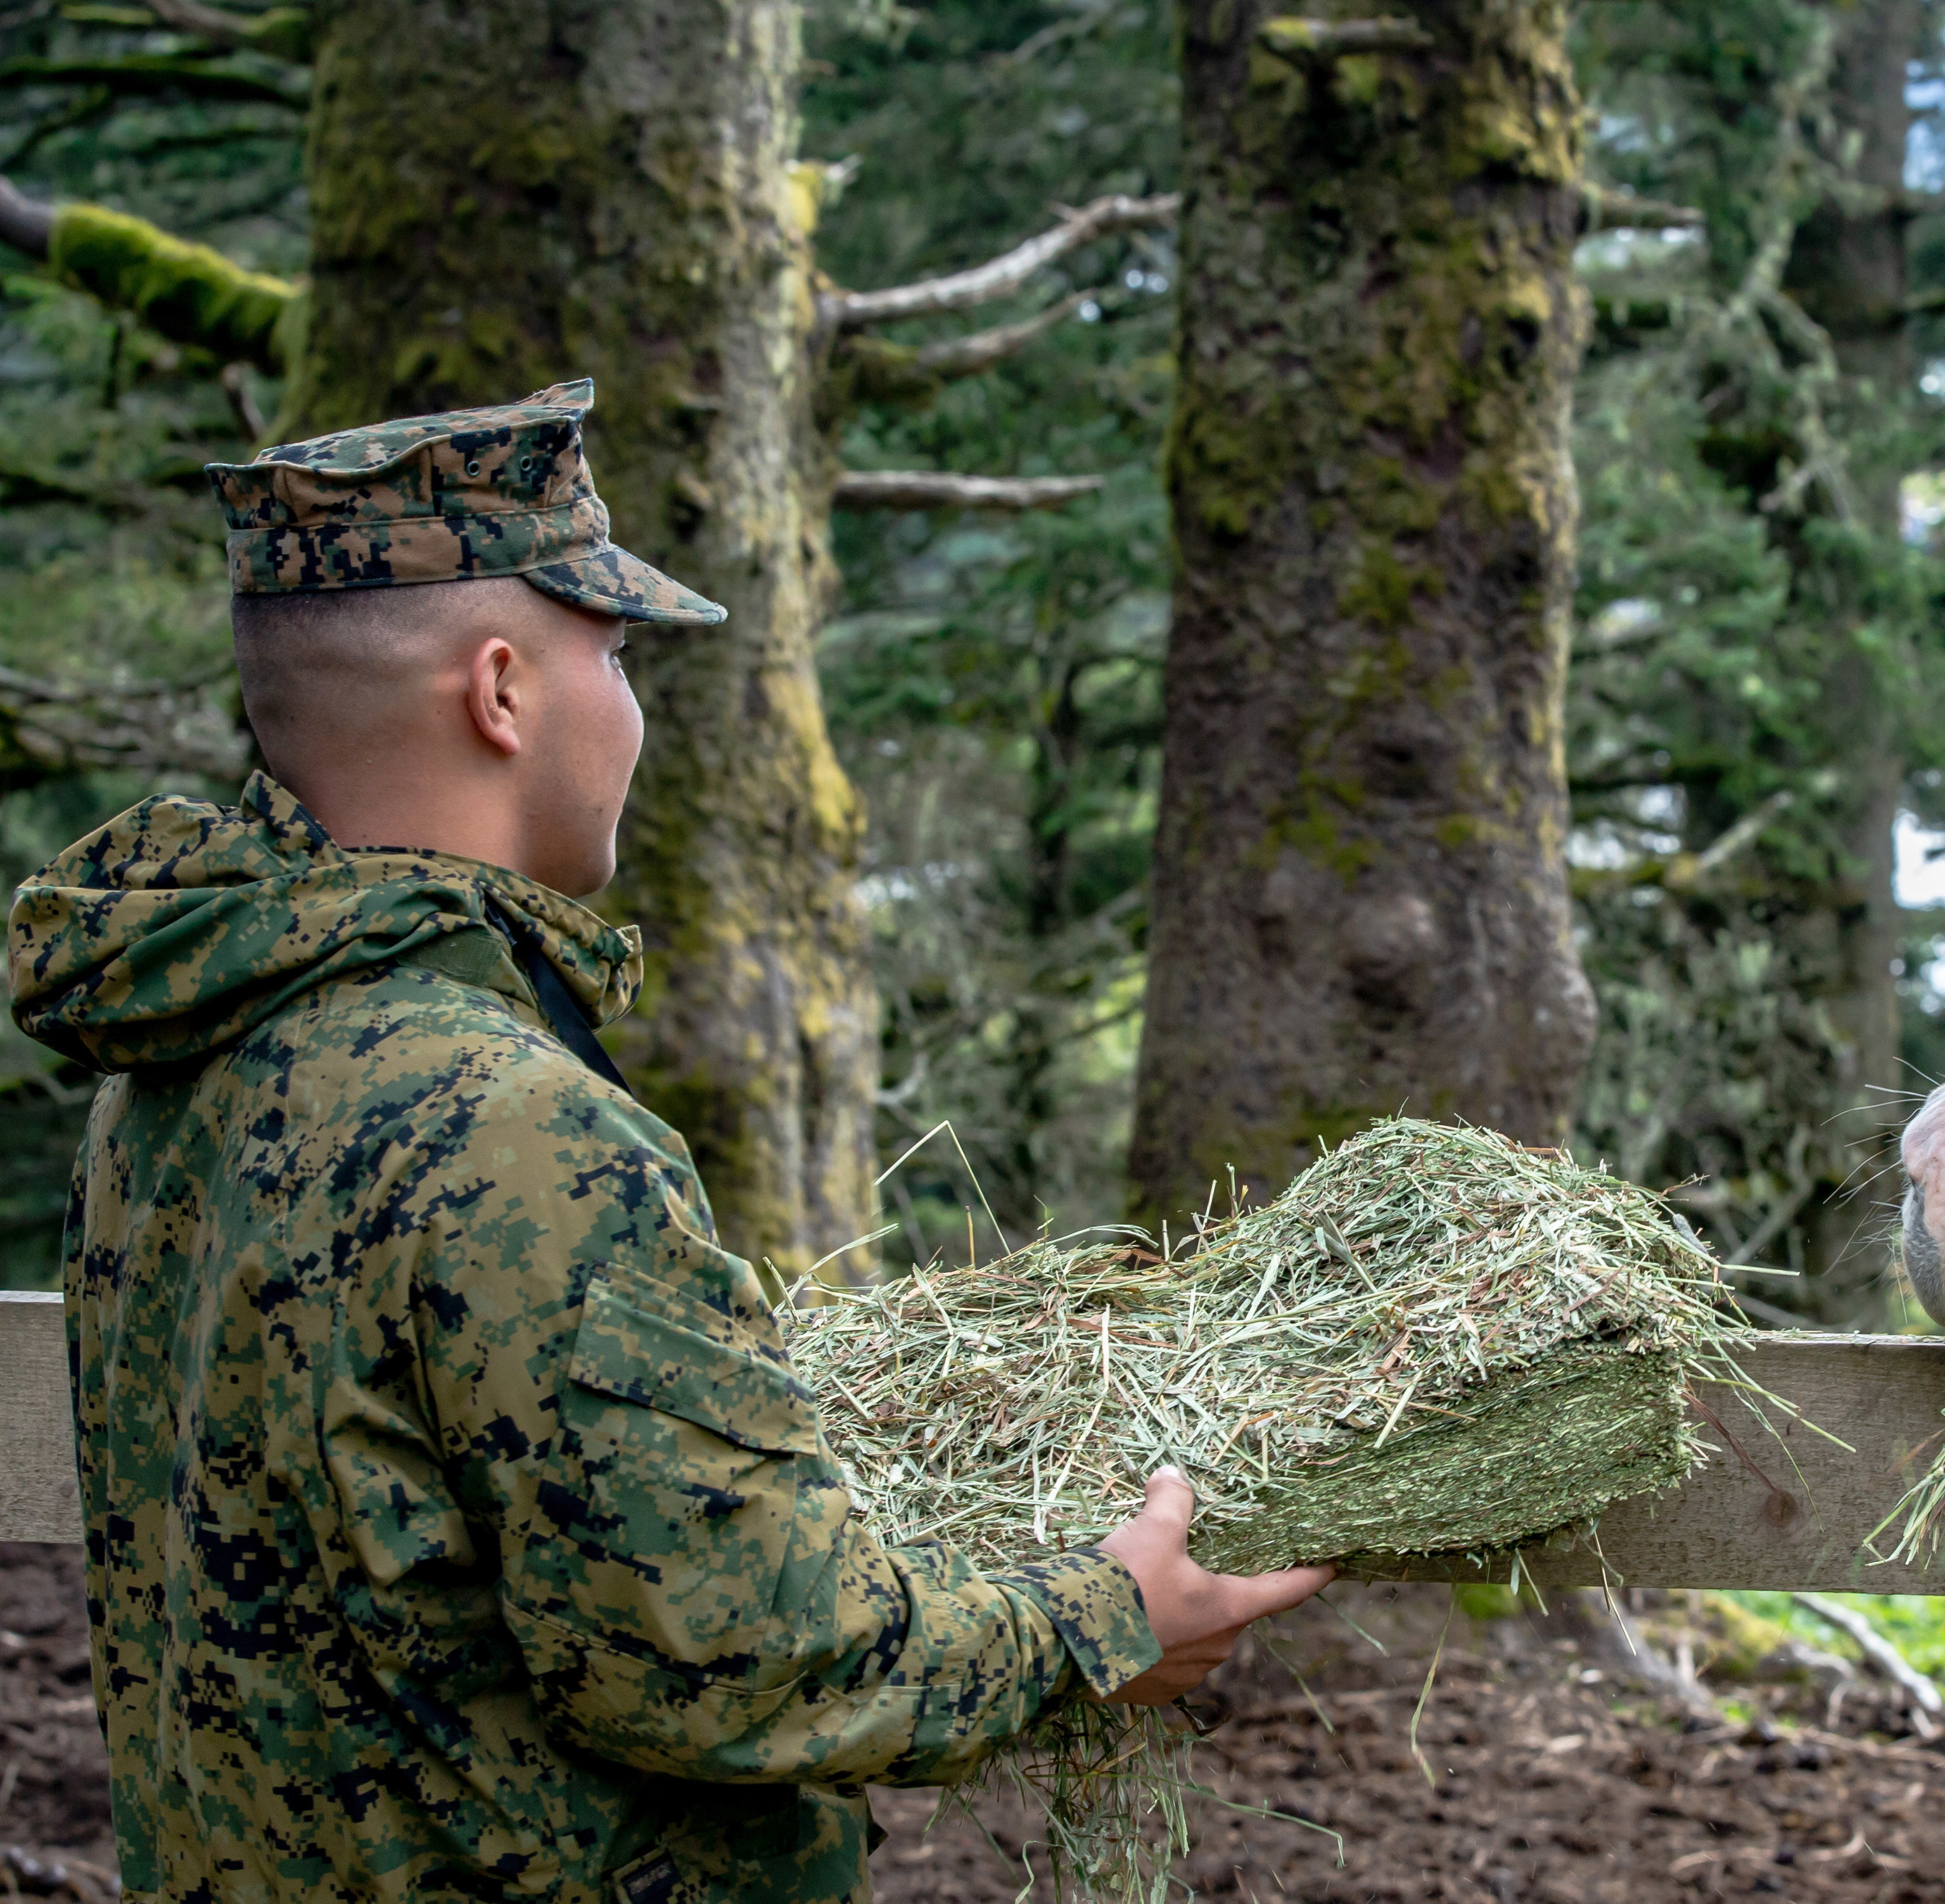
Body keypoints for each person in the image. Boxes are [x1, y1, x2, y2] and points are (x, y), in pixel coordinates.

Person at [6, 380, 1331, 1903]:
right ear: (502, 693)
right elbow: (744, 1659)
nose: (632, 712)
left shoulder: (174, 1069)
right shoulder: (509, 1128)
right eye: (619, 658)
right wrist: (1099, 1621)